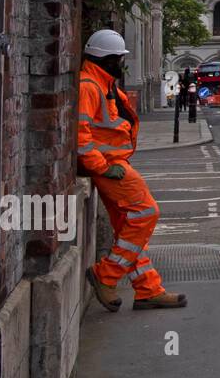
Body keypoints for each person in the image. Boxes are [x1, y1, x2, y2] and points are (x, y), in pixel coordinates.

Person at [79, 29, 187, 312]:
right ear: (107, 59)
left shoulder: (103, 83)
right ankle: (106, 274)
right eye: (118, 59)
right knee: (146, 213)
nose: (121, 64)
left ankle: (147, 289)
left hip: (115, 163)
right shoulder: (89, 86)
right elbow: (80, 138)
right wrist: (103, 166)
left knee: (126, 228)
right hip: (111, 168)